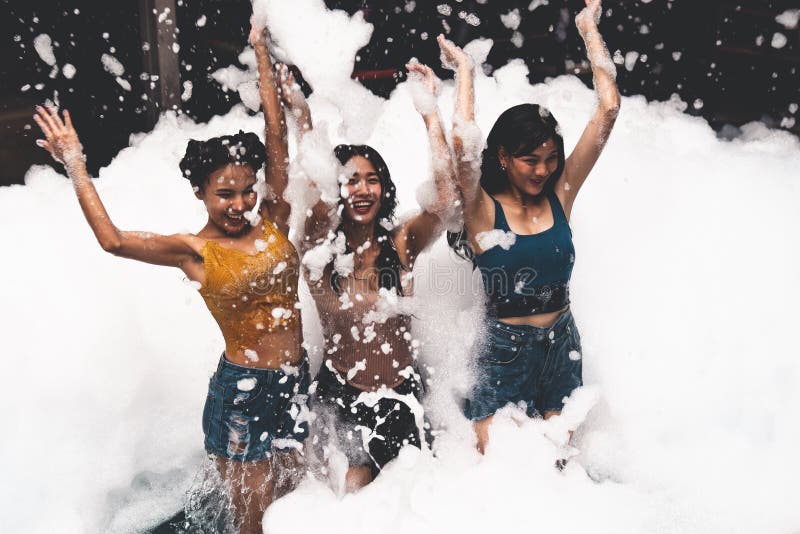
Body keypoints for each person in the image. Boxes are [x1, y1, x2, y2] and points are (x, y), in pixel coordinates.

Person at [33, 22, 306, 534]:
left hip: (293, 379)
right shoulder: (195, 252)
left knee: (290, 502)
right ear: (201, 192)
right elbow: (112, 240)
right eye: (225, 193)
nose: (240, 203)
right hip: (243, 391)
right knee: (254, 519)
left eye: (247, 190)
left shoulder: (273, 219)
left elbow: (276, 135)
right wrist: (75, 162)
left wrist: (260, 55)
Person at [443, 0, 620, 454]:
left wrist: (589, 30)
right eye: (529, 160)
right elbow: (463, 142)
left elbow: (609, 109)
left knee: (555, 466)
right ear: (503, 157)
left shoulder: (561, 196)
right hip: (503, 350)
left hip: (562, 342)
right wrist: (465, 74)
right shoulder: (483, 211)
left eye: (550, 159)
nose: (543, 170)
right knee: (503, 466)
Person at [278, 62, 456, 490]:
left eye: (371, 180)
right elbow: (313, 184)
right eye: (350, 180)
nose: (361, 189)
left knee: (416, 493)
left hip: (400, 393)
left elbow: (448, 201)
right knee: (353, 491)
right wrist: (299, 114)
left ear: (385, 188)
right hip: (341, 396)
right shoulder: (318, 254)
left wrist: (430, 111)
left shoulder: (400, 246)